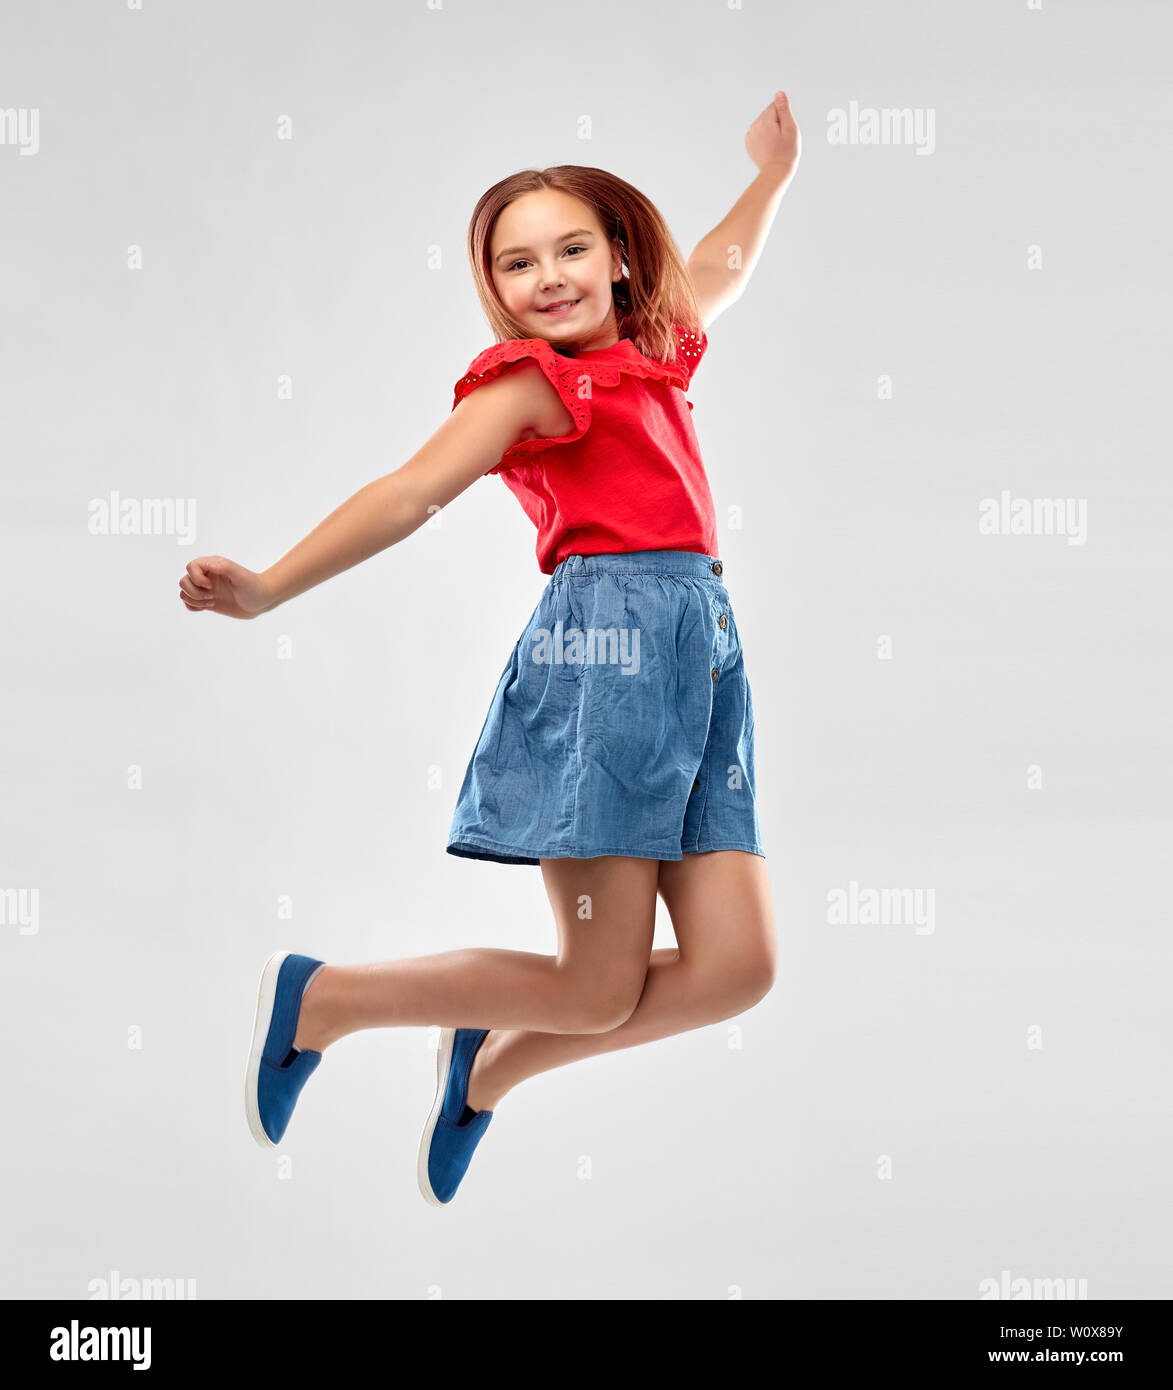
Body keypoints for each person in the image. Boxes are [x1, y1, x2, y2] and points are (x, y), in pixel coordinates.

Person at [179, 93, 802, 1205]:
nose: (547, 276)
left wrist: (774, 172)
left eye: (570, 248)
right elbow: (411, 492)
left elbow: (722, 264)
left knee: (738, 968)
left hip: (701, 660)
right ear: (495, 287)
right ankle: (325, 999)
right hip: (606, 664)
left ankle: (489, 1064)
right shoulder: (532, 387)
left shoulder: (655, 352)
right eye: (516, 263)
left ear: (619, 258)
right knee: (596, 983)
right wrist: (269, 586)